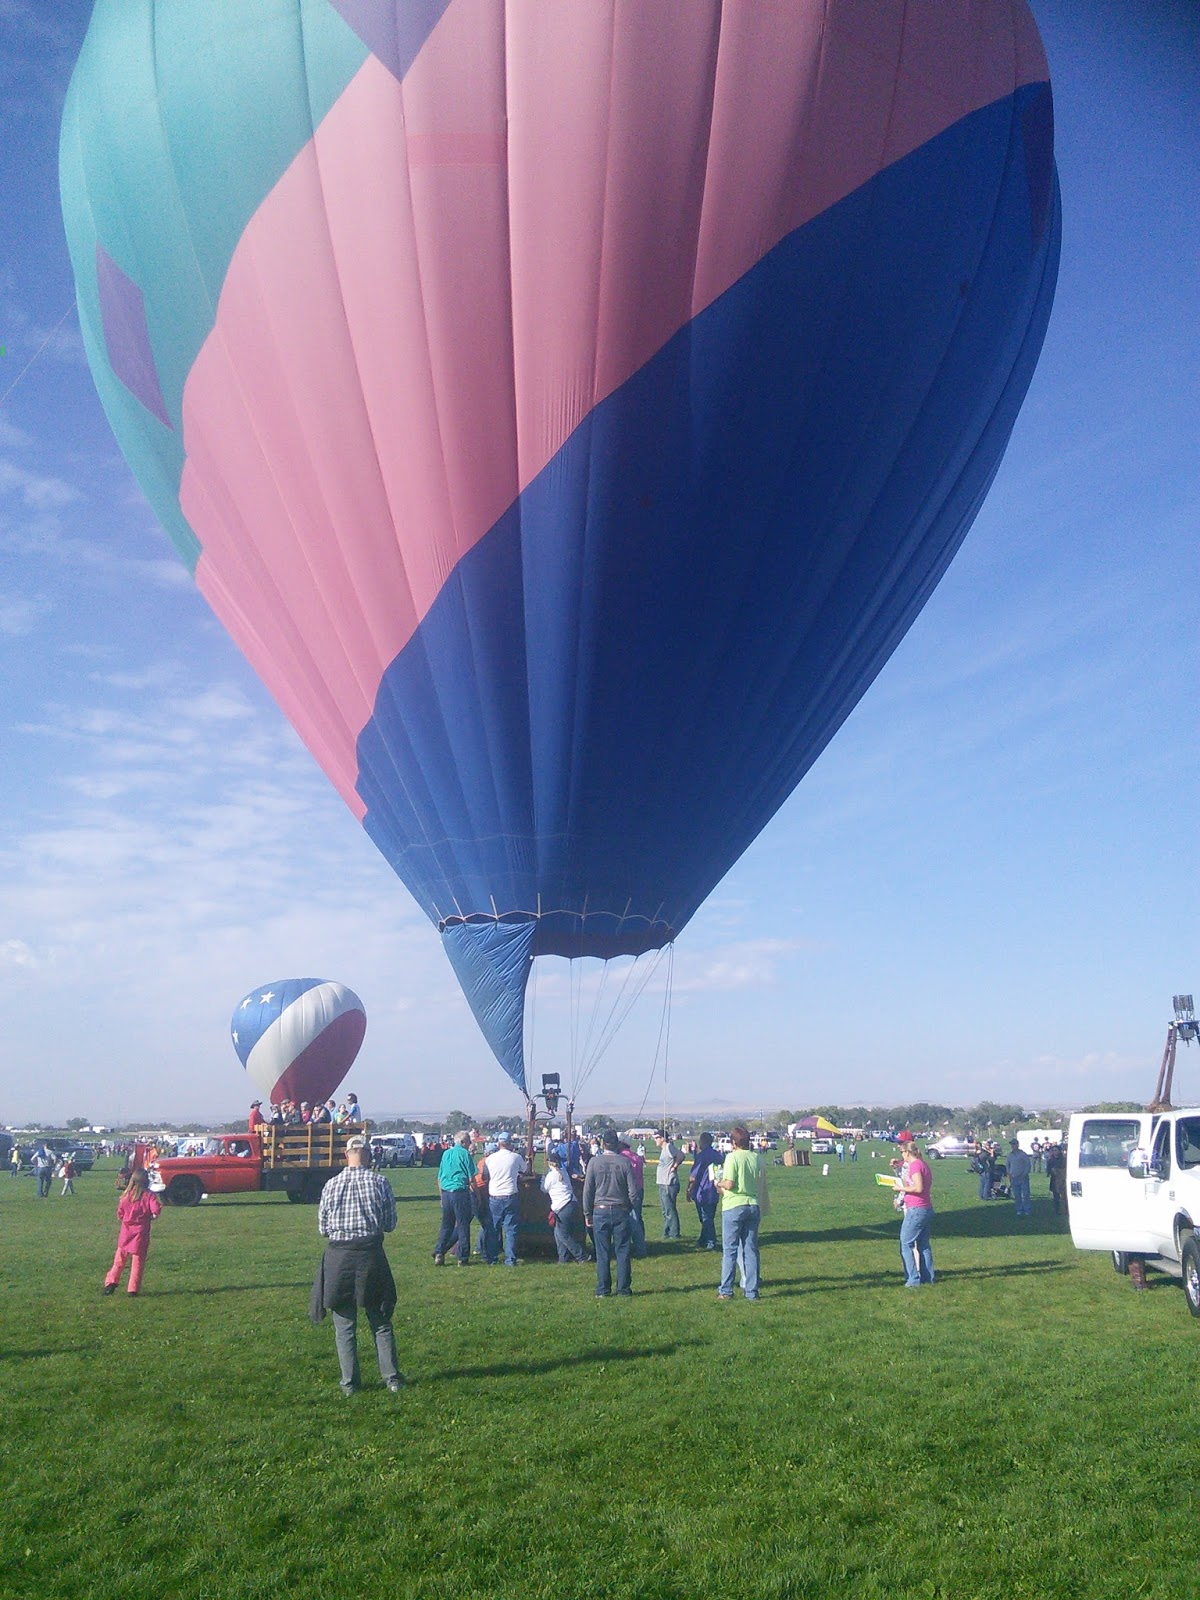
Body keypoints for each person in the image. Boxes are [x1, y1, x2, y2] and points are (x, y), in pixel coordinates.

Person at [310, 1135, 404, 1395]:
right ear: (369, 1155)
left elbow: (323, 1228)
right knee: (380, 1319)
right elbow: (390, 1224)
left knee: (344, 1323)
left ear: (346, 1155)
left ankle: (349, 1383)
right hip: (371, 1255)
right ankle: (392, 1379)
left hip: (338, 1258)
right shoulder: (380, 1182)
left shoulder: (331, 1184)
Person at [583, 1130, 637, 1296]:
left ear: (603, 1144)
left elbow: (588, 1190)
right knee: (623, 1251)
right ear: (617, 1144)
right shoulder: (624, 1162)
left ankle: (603, 1289)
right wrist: (629, 1207)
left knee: (602, 1252)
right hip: (621, 1209)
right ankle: (623, 1289)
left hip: (600, 1210)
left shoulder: (594, 1162)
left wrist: (587, 1213)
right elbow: (633, 1192)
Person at [716, 1125, 766, 1300]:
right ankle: (752, 1291)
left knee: (730, 1250)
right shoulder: (756, 1158)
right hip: (752, 1204)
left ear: (733, 1143)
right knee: (750, 1249)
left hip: (734, 1205)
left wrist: (718, 1183)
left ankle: (726, 1290)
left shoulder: (732, 1158)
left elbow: (729, 1184)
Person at [102, 1169, 162, 1296]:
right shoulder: (149, 1196)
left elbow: (120, 1213)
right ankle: (133, 1288)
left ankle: (111, 1282)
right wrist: (153, 1216)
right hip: (141, 1233)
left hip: (126, 1232)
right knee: (137, 1261)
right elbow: (156, 1209)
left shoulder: (126, 1196)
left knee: (119, 1259)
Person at [895, 1133, 935, 1287]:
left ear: (907, 1152)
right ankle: (928, 1277)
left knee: (906, 1244)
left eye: (902, 1153)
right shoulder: (923, 1164)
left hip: (916, 1208)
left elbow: (918, 1187)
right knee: (923, 1244)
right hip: (925, 1207)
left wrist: (900, 1188)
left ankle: (913, 1279)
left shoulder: (915, 1165)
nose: (902, 1156)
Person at [483, 1132, 526, 1266]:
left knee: (493, 1229)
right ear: (509, 1143)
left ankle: (492, 1258)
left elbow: (485, 1175)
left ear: (498, 1143)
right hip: (510, 1195)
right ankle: (510, 1259)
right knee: (511, 1229)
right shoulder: (516, 1157)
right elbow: (525, 1170)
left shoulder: (490, 1159)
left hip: (494, 1196)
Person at [432, 1132, 475, 1265]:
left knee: (446, 1225)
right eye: (468, 1142)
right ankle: (462, 1257)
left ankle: (439, 1252)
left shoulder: (446, 1154)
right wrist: (476, 1194)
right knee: (462, 1225)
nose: (469, 1145)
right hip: (459, 1192)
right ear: (463, 1142)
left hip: (446, 1193)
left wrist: (441, 1196)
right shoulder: (465, 1154)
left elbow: (439, 1177)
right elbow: (471, 1177)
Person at [542, 1151, 586, 1264]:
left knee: (563, 1234)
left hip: (562, 1207)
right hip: (570, 1203)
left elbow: (544, 1189)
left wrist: (542, 1179)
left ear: (549, 1163)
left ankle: (581, 1256)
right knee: (558, 1234)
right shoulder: (563, 1172)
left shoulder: (551, 1176)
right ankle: (563, 1259)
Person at [686, 1132, 722, 1251]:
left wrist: (689, 1189)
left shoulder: (701, 1157)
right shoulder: (718, 1155)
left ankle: (711, 1241)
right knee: (709, 1215)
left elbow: (693, 1177)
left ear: (703, 1141)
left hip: (702, 1191)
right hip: (715, 1189)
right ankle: (703, 1239)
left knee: (705, 1218)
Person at [618, 1138, 648, 1258]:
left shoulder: (622, 1158)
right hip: (639, 1189)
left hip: (628, 1191)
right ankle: (640, 1244)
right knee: (637, 1218)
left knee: (632, 1219)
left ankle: (639, 1248)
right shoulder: (637, 1157)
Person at [656, 1130, 683, 1239]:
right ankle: (667, 1232)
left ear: (663, 1138)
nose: (655, 1140)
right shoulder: (664, 1149)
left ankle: (674, 1233)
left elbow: (681, 1155)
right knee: (666, 1210)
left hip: (669, 1183)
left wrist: (675, 1166)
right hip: (663, 1183)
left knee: (669, 1210)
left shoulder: (668, 1147)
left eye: (657, 1137)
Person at [1007, 1138, 1032, 1217]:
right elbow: (1008, 1165)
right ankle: (1019, 1209)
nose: (1012, 1146)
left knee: (1025, 1194)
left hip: (1023, 1177)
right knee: (1017, 1195)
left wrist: (1024, 1174)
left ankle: (1027, 1209)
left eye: (1014, 1144)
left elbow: (1028, 1165)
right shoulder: (1009, 1155)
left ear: (1017, 1145)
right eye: (1011, 1144)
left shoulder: (1023, 1154)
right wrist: (1009, 1174)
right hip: (1014, 1178)